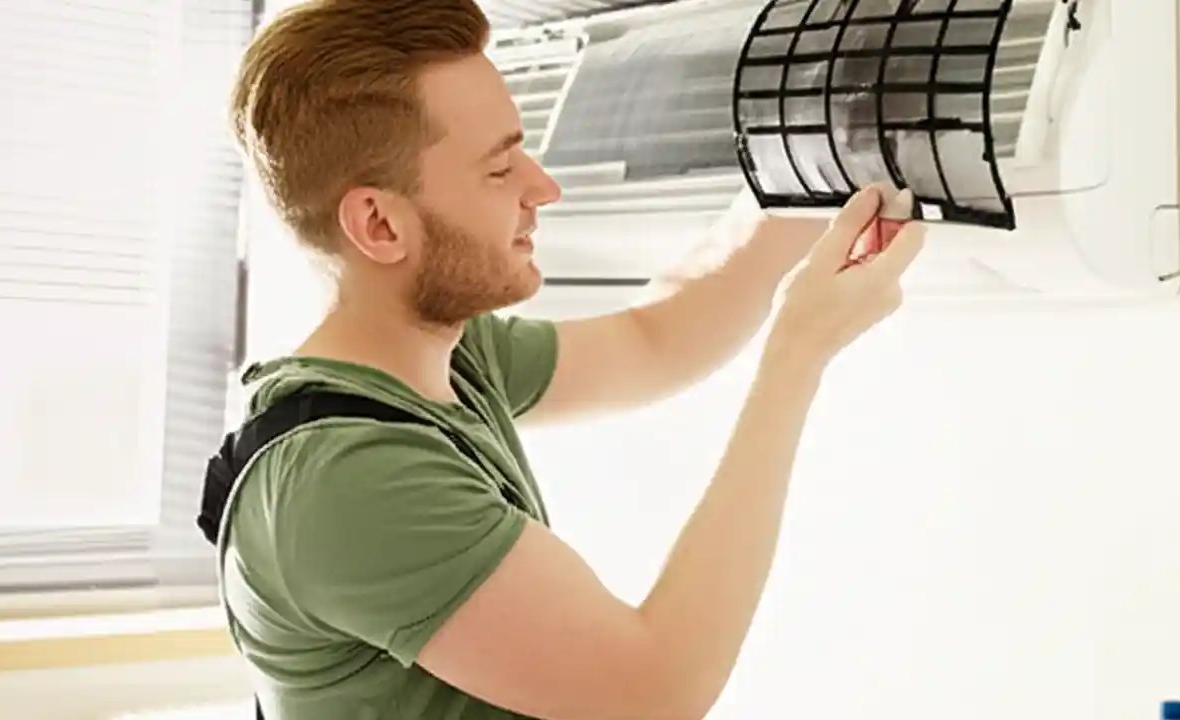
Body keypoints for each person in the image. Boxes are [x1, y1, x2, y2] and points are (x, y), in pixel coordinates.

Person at [219, 1, 925, 718]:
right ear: (379, 224)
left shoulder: (449, 354)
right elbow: (654, 690)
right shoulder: (347, 478)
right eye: (500, 169)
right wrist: (798, 355)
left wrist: (809, 148)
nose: (542, 188)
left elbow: (658, 339)